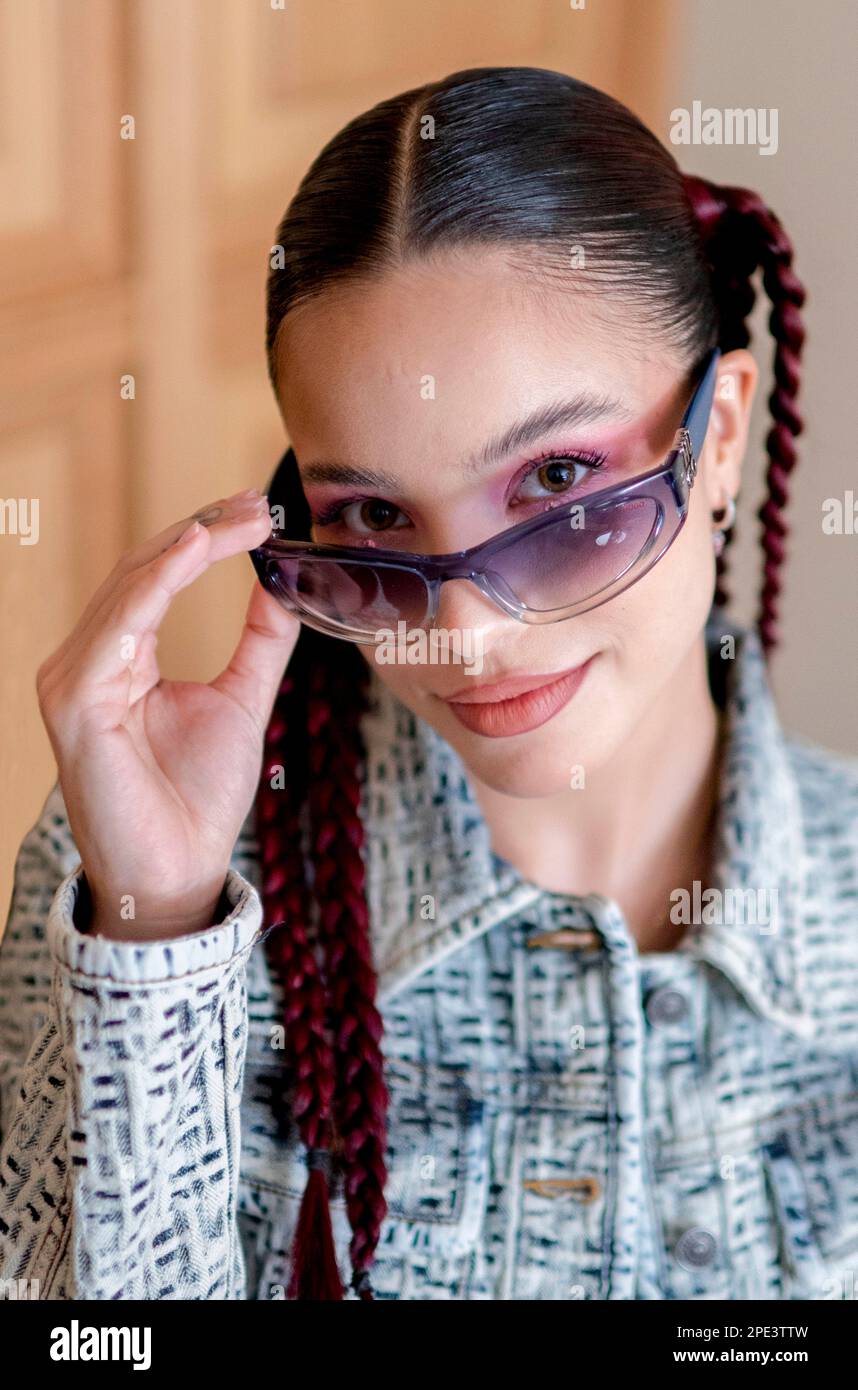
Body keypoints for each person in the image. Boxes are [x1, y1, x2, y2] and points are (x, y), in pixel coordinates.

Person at [2, 66, 857, 1302]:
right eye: (372, 514)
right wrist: (159, 940)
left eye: (559, 485)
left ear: (721, 432)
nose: (460, 633)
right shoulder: (130, 884)